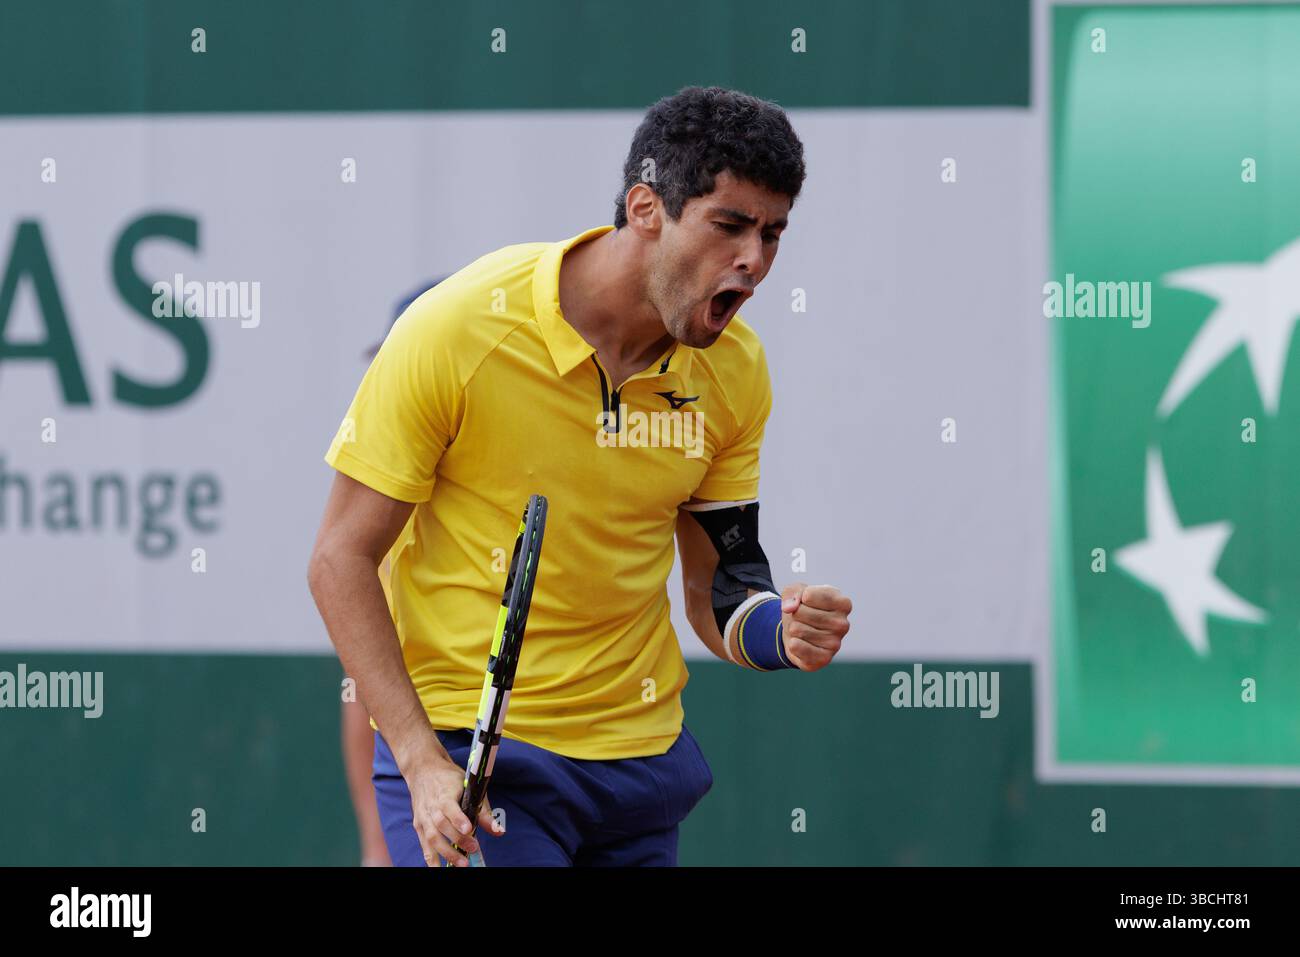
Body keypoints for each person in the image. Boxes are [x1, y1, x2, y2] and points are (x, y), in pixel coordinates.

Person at [308, 86, 852, 867]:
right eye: (730, 225)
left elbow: (719, 589)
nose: (755, 261)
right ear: (645, 207)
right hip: (480, 766)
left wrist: (780, 628)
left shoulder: (736, 372)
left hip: (637, 770)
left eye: (772, 234)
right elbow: (339, 560)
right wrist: (420, 761)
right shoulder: (457, 330)